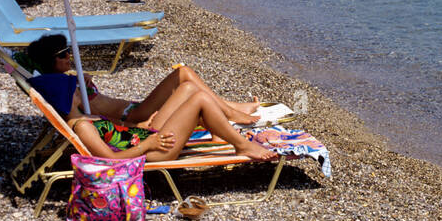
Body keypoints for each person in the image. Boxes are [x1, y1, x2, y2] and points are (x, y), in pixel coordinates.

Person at [26, 36, 275, 162]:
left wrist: (145, 135)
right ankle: (239, 142)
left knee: (189, 89)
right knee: (198, 97)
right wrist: (148, 144)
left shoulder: (83, 115)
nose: (80, 89)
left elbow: (116, 133)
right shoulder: (82, 125)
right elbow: (109, 160)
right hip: (156, 149)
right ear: (70, 97)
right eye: (75, 89)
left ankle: (224, 124)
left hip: (148, 137)